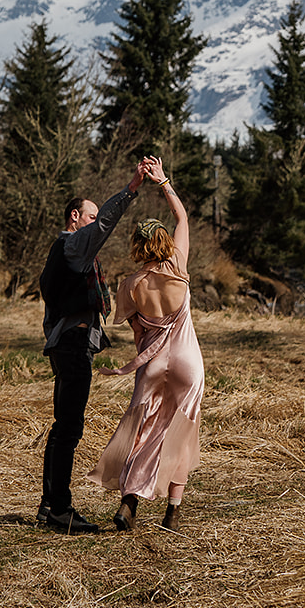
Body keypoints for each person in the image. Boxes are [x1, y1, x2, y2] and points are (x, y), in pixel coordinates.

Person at [87, 158, 205, 533]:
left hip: (152, 363)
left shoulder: (131, 285)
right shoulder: (179, 266)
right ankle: (172, 512)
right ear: (165, 242)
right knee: (181, 431)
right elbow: (183, 219)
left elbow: (139, 335)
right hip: (188, 360)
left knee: (141, 427)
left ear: (138, 246)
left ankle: (129, 502)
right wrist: (163, 182)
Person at [38, 160, 149, 533]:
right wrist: (131, 188)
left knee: (62, 426)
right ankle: (60, 510)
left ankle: (49, 505)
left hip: (64, 346)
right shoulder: (73, 246)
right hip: (71, 347)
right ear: (75, 217)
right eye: (90, 215)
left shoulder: (62, 251)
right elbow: (106, 224)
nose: (96, 222)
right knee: (69, 428)